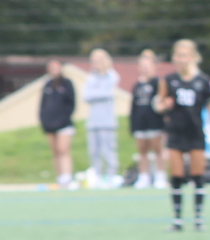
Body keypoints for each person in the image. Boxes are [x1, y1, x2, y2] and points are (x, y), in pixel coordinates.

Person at [151, 38, 210, 230]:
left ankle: (198, 218)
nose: (181, 59)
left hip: (195, 132)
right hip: (176, 133)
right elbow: (158, 105)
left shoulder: (202, 81)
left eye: (185, 55)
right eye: (178, 55)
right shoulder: (169, 81)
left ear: (193, 57)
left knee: (197, 175)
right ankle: (177, 219)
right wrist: (163, 106)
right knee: (177, 175)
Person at [81, 49, 122, 189]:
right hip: (93, 122)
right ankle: (97, 176)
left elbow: (108, 92)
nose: (95, 64)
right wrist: (99, 94)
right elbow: (86, 96)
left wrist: (97, 93)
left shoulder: (112, 76)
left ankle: (111, 176)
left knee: (108, 150)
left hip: (107, 121)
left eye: (98, 61)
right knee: (94, 151)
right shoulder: (90, 78)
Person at [129, 51, 165, 189]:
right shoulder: (137, 86)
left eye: (147, 65)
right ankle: (144, 177)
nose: (145, 68)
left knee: (158, 150)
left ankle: (160, 176)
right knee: (142, 151)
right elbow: (133, 106)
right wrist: (133, 125)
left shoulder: (158, 83)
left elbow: (161, 103)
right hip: (140, 123)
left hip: (154, 123)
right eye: (142, 65)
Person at [38, 59, 76, 189]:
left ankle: (67, 176)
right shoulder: (47, 85)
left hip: (63, 123)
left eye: (56, 67)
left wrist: (62, 119)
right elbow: (43, 105)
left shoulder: (67, 83)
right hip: (50, 124)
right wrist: (44, 120)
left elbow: (71, 104)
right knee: (55, 151)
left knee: (63, 150)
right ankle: (60, 177)